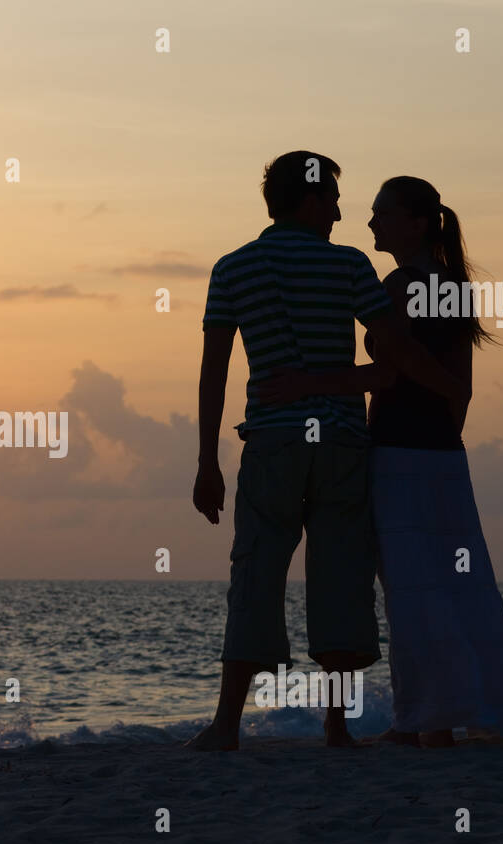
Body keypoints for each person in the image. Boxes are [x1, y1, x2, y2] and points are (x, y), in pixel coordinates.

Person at [187, 153, 470, 751]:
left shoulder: (233, 267)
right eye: (336, 201)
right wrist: (448, 385)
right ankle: (336, 727)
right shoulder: (350, 266)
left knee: (256, 573)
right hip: (342, 439)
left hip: (273, 439)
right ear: (312, 201)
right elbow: (392, 358)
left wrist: (207, 460)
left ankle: (227, 724)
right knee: (341, 580)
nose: (342, 214)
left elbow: (214, 368)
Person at [259, 176, 503, 746]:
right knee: (460, 585)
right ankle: (460, 710)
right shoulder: (456, 288)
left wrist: (302, 384)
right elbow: (461, 386)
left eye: (382, 214)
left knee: (413, 589)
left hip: (398, 450)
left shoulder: (399, 286)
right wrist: (446, 421)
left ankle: (430, 720)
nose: (370, 224)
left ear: (416, 222)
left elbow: (386, 374)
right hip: (444, 453)